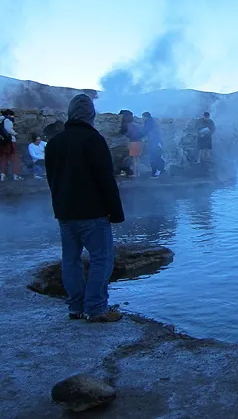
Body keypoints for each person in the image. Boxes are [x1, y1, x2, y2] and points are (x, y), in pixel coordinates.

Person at [45, 94, 125, 323]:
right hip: (92, 212)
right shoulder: (93, 140)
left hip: (65, 212)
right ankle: (96, 308)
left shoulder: (55, 143)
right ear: (91, 115)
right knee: (102, 259)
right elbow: (105, 180)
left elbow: (52, 179)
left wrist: (58, 205)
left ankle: (76, 308)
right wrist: (117, 213)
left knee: (71, 260)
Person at [0, 109, 23, 181]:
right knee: (15, 158)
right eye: (13, 115)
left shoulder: (1, 121)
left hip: (2, 142)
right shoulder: (8, 120)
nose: (13, 117)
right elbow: (9, 130)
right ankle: (16, 175)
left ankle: (2, 176)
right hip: (10, 141)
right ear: (9, 115)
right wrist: (16, 134)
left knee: (3, 158)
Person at [142, 112, 165, 178]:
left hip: (154, 142)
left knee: (154, 157)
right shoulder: (152, 122)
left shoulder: (148, 123)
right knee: (158, 156)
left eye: (143, 117)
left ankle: (156, 172)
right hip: (157, 141)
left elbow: (145, 131)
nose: (142, 118)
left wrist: (138, 135)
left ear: (146, 117)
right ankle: (160, 171)